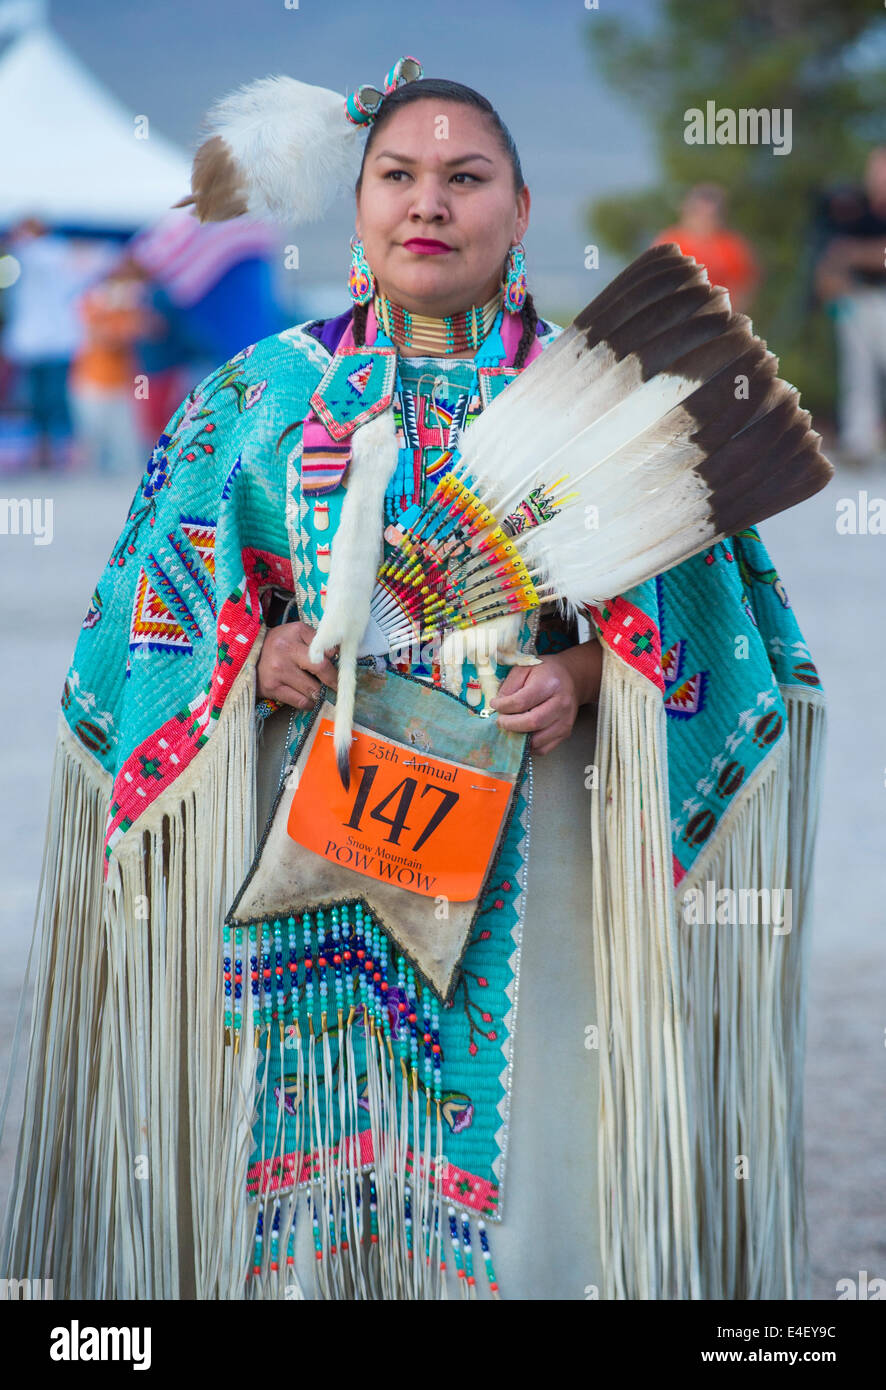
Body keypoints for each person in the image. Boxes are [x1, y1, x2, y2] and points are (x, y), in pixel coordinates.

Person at [1, 62, 826, 1301]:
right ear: (360, 206)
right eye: (398, 176)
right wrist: (253, 660)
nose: (427, 203)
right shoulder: (258, 398)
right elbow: (144, 626)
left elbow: (726, 635)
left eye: (464, 177)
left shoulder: (603, 405)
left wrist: (592, 672)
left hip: (536, 850)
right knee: (302, 1154)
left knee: (538, 1138)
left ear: (523, 207)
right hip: (298, 838)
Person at [814, 147, 886, 469]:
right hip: (855, 300)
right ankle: (860, 442)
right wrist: (829, 282)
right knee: (857, 373)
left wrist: (859, 254)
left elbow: (856, 253)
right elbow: (831, 254)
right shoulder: (852, 210)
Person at [654, 183, 760, 313]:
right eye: (698, 213)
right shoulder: (669, 244)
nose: (704, 220)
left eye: (712, 215)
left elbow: (745, 285)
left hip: (719, 319)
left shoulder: (733, 246)